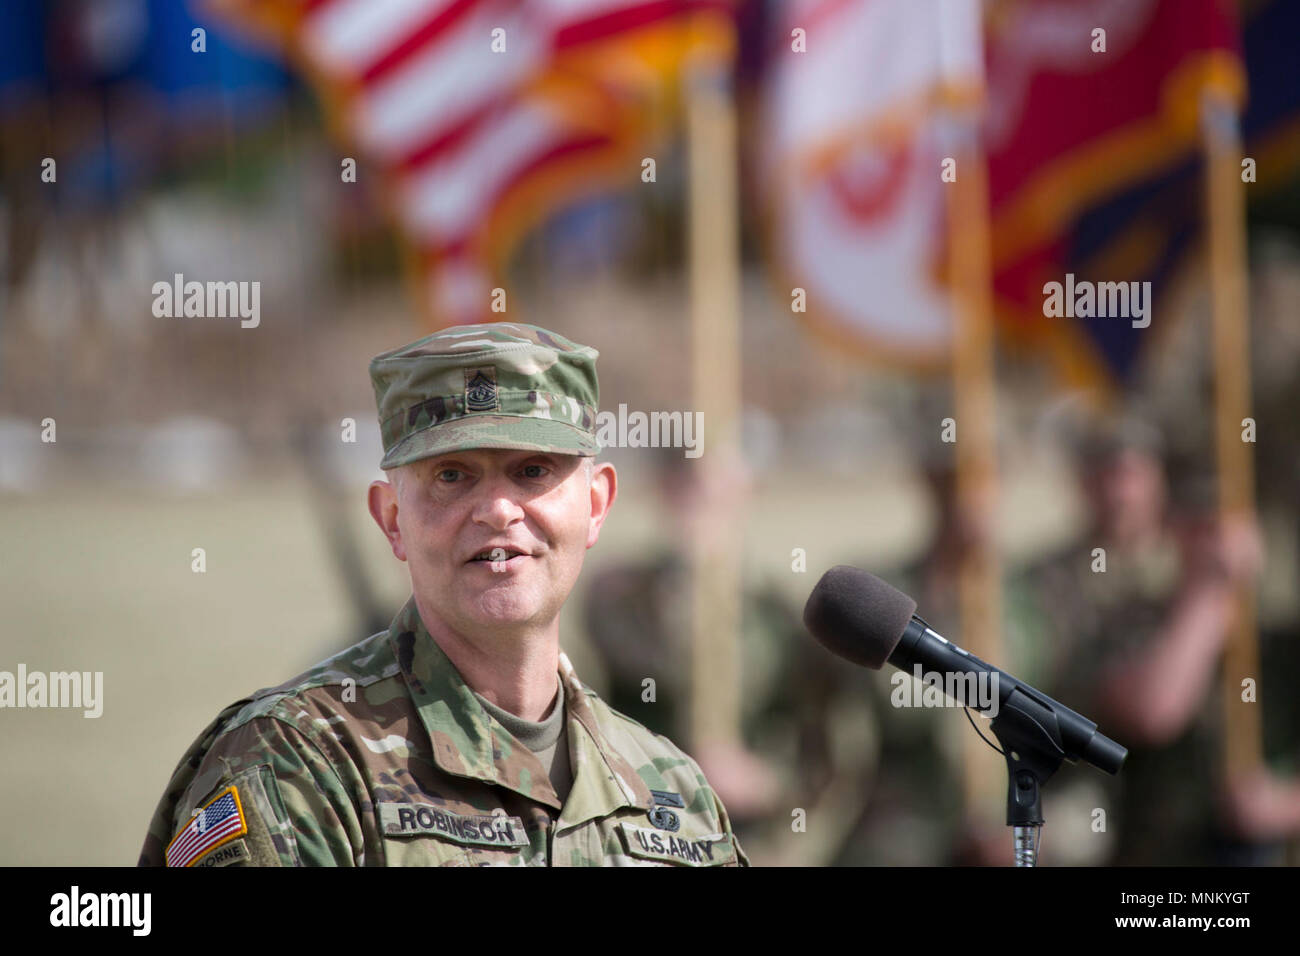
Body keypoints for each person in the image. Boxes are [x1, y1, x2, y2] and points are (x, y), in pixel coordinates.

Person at [138, 322, 748, 867]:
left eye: (533, 470)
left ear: (595, 506)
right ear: (392, 519)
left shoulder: (674, 794)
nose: (497, 510)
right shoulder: (302, 767)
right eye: (452, 476)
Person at [1016, 415, 1300, 865]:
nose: (1217, 540)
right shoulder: (1146, 614)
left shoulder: (1279, 623)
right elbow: (1152, 709)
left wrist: (1283, 804)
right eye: (1197, 521)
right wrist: (1209, 595)